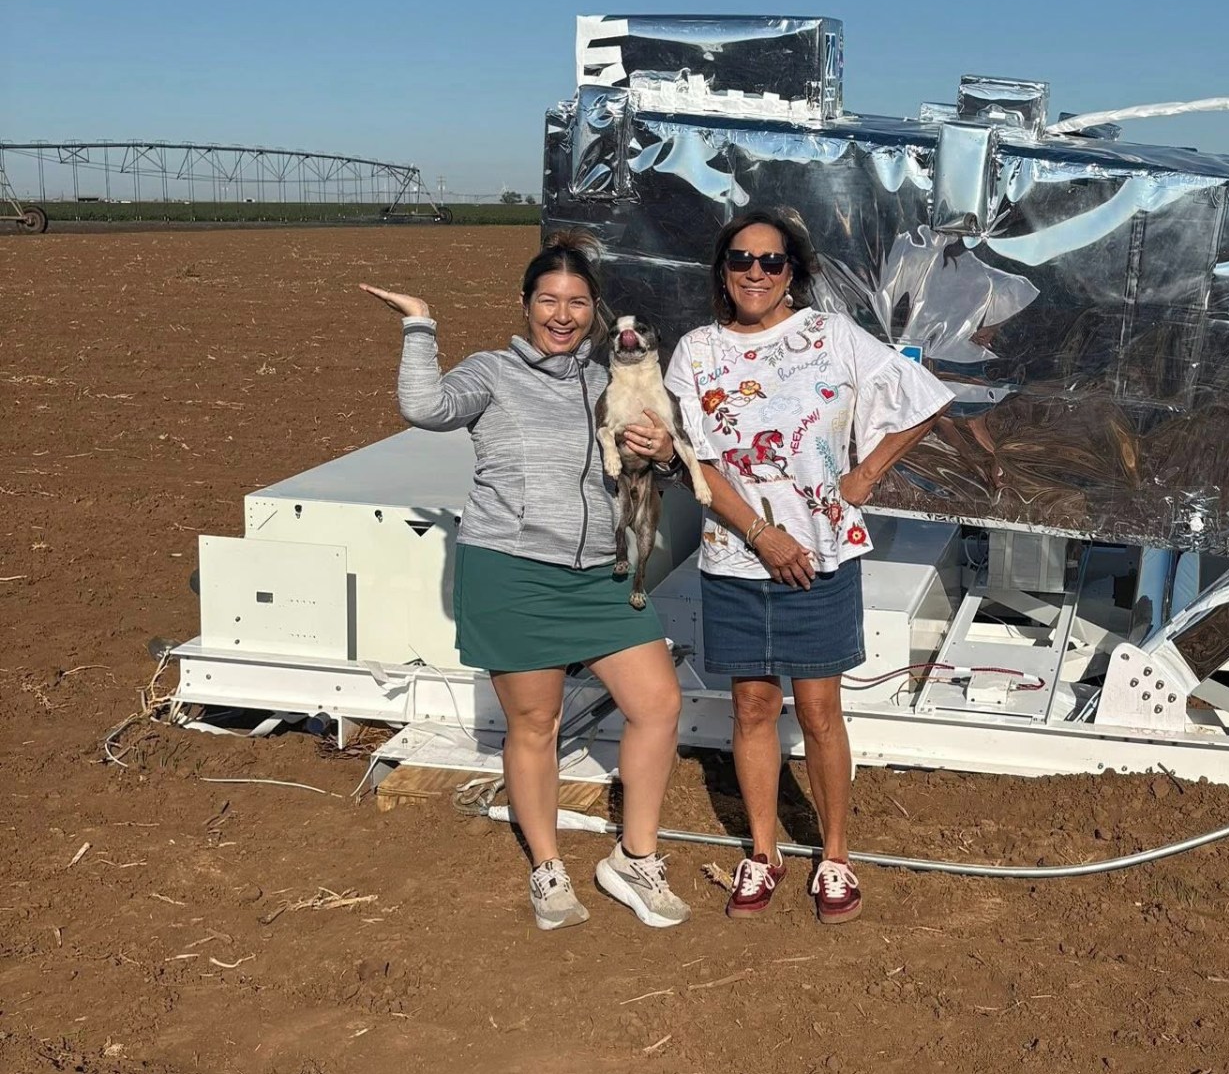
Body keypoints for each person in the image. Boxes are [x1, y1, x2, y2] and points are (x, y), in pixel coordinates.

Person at [359, 232, 693, 932]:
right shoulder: (492, 373)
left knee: (659, 703)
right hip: (513, 572)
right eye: (549, 300)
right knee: (536, 724)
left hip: (599, 573)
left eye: (577, 302)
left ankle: (635, 858)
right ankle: (547, 867)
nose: (562, 315)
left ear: (594, 311)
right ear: (526, 303)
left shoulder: (609, 381)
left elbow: (653, 472)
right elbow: (426, 408)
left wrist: (664, 454)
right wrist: (420, 324)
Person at [665, 207, 951, 924]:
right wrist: (761, 534)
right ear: (722, 272)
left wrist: (868, 473)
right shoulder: (696, 352)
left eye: (771, 260)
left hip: (822, 555)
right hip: (736, 558)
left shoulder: (831, 336)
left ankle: (835, 856)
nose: (755, 272)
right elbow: (698, 462)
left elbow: (924, 397)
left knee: (821, 711)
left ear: (791, 271)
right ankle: (763, 853)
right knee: (753, 707)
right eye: (741, 259)